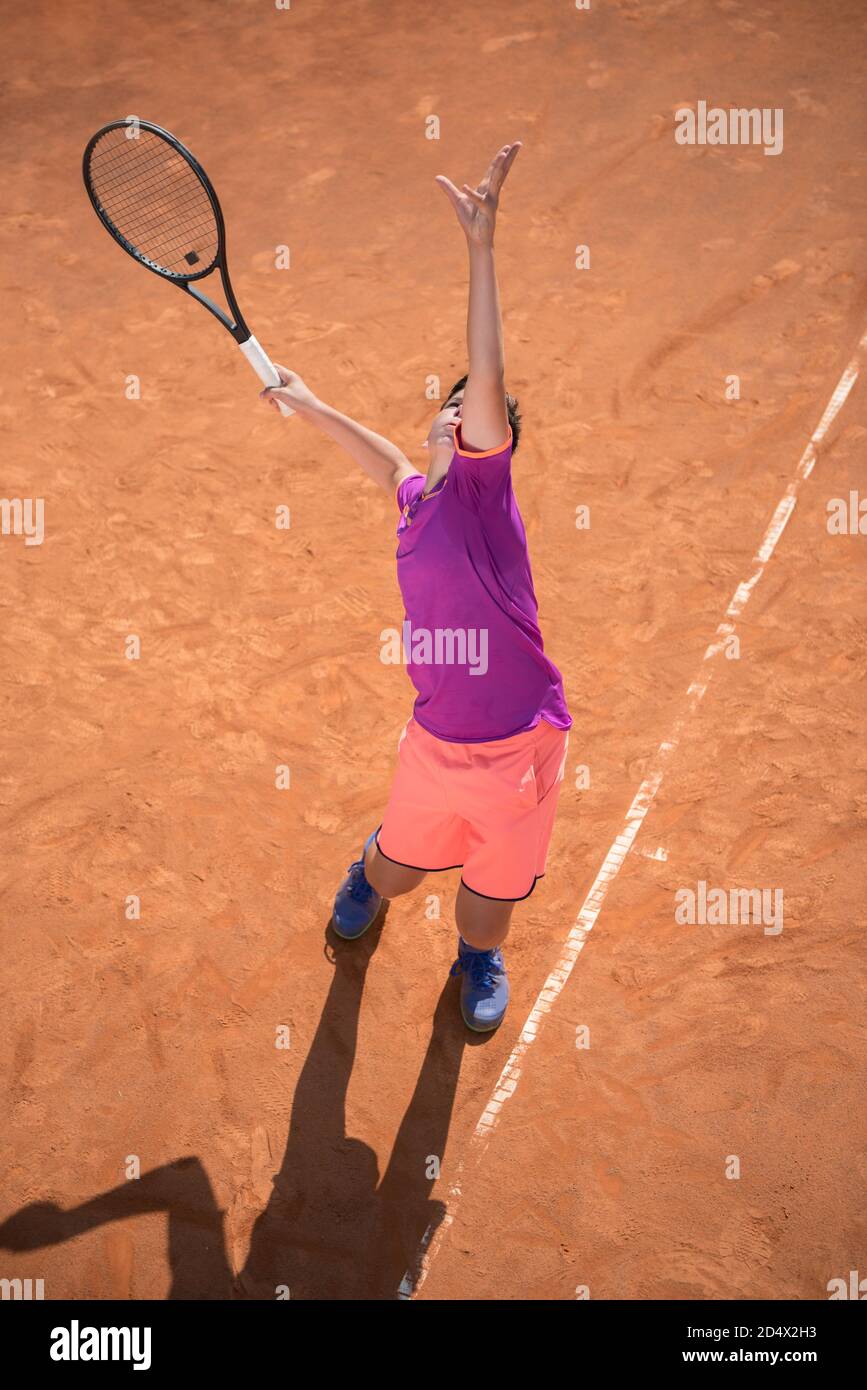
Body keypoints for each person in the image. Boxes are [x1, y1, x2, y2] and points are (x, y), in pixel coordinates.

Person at [262, 143, 571, 1032]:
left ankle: (476, 959)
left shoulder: (480, 490)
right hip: (434, 744)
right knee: (396, 872)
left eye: (480, 411)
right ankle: (368, 871)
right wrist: (309, 401)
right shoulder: (417, 501)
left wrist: (481, 248)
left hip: (519, 746)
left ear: (486, 436)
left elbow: (487, 370)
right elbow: (385, 458)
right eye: (456, 402)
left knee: (487, 903)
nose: (464, 410)